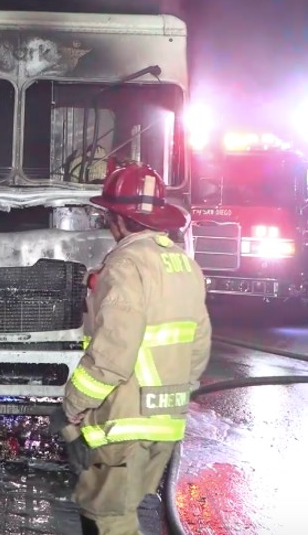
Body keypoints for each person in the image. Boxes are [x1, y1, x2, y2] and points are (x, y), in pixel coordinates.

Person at [51, 162, 212, 535]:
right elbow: (199, 345)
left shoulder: (125, 264)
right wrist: (174, 393)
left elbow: (112, 356)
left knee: (106, 518)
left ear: (118, 220)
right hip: (166, 424)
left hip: (123, 425)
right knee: (120, 513)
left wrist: (70, 409)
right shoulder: (185, 265)